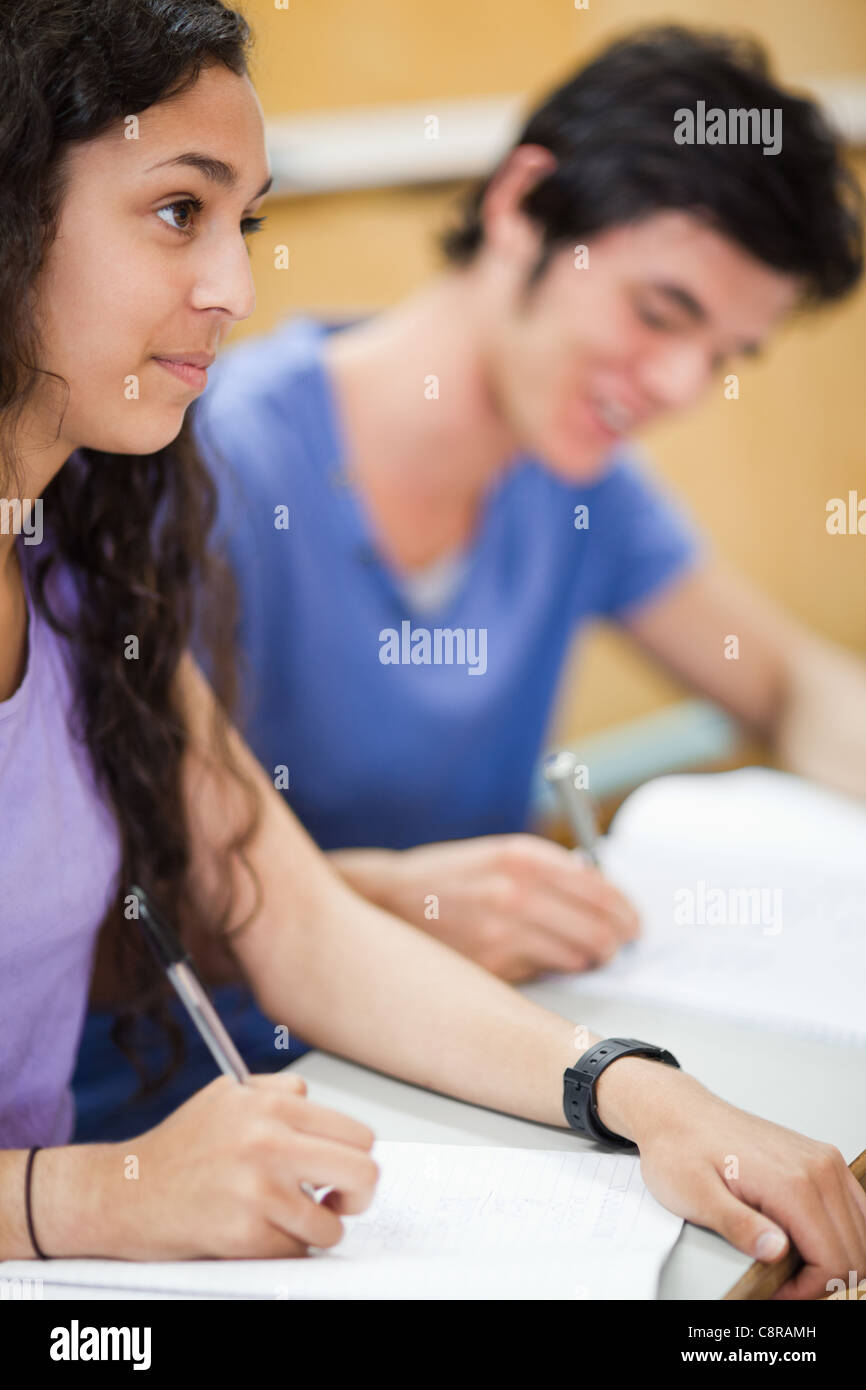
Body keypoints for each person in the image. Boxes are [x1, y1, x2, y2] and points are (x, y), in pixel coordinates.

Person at [4, 0, 864, 1298]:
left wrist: (637, 1089)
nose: (235, 287)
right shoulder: (212, 461)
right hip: (166, 1142)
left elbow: (276, 904)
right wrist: (84, 1191)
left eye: (247, 223)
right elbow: (171, 932)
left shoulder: (81, 538)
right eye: (180, 211)